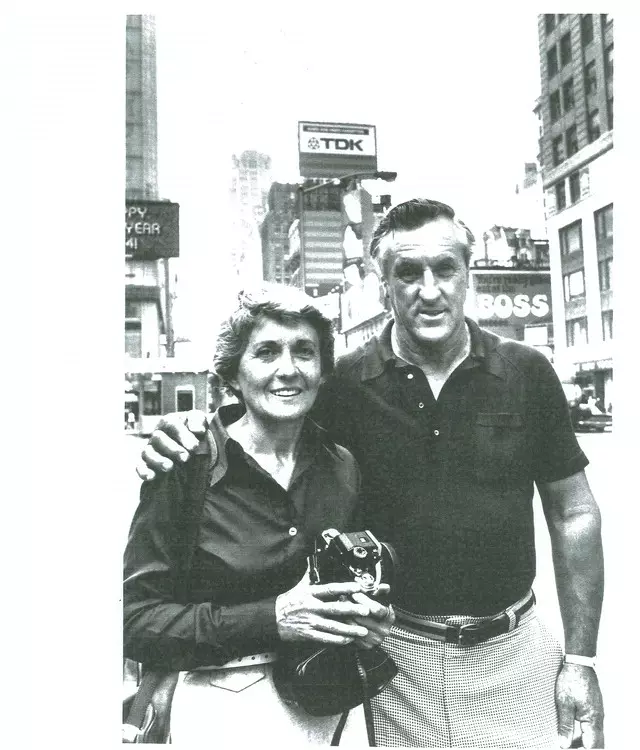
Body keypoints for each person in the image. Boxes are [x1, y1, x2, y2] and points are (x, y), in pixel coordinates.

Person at [136, 198, 605, 749]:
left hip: (516, 651)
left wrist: (580, 658)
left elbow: (574, 512)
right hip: (387, 659)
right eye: (407, 273)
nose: (428, 290)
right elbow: (262, 420)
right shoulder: (341, 382)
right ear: (382, 285)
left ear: (467, 275)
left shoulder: (528, 372)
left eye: (445, 269)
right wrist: (186, 429)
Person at [123, 284, 395, 745]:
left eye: (304, 352)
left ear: (324, 370)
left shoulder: (341, 465)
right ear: (233, 374)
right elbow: (135, 622)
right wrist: (273, 618)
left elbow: (346, 579)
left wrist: (366, 616)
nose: (287, 370)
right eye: (266, 352)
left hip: (329, 705)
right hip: (219, 709)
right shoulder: (186, 465)